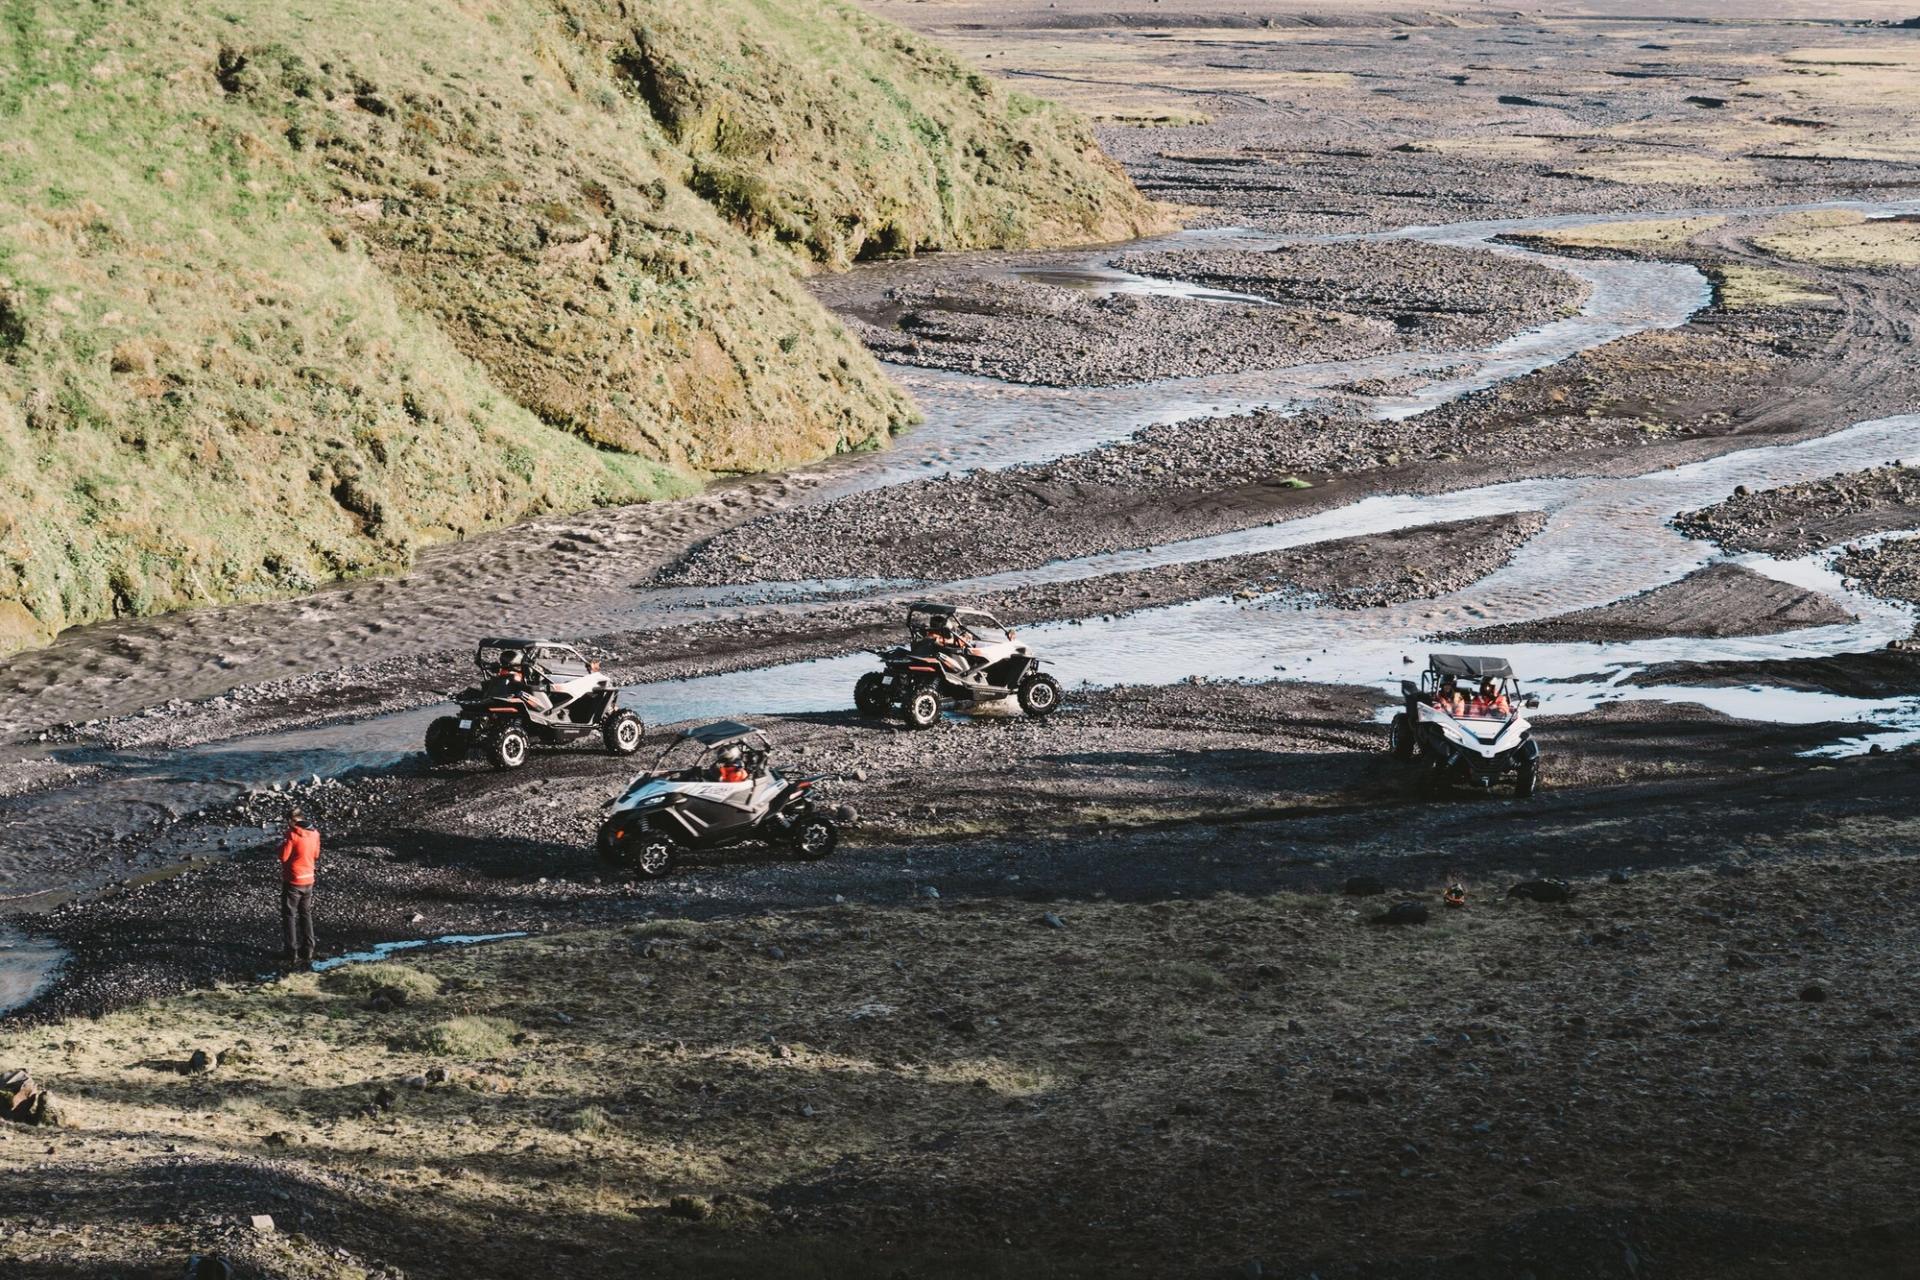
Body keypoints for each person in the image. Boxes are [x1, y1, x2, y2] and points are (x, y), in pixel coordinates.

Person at [278, 809, 320, 968]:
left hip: (293, 880)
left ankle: (291, 951)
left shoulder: (292, 835)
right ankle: (308, 948)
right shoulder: (315, 834)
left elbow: (283, 856)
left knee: (289, 914)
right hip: (309, 878)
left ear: (291, 821)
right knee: (305, 913)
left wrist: (282, 843)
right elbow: (316, 854)